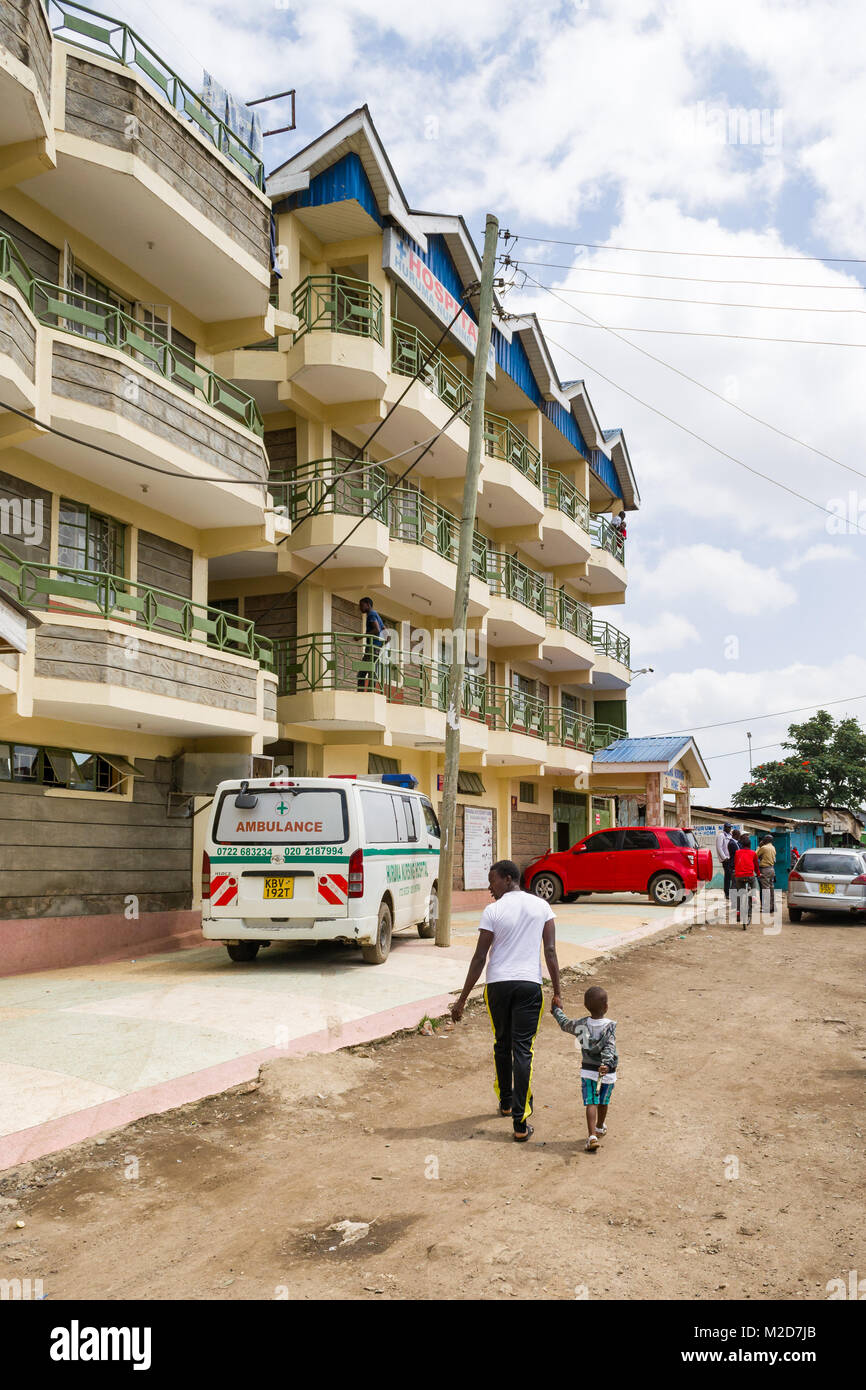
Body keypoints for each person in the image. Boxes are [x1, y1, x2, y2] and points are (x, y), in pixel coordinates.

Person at [450, 860, 562, 1143]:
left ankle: (506, 1102)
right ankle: (520, 1122)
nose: (490, 887)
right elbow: (550, 951)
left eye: (493, 880)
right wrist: (557, 991)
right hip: (528, 985)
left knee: (503, 1043)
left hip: (498, 986)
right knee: (523, 1050)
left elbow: (479, 957)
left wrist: (462, 999)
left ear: (509, 878)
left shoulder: (493, 910)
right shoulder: (541, 907)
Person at [552, 985, 618, 1153]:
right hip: (607, 1072)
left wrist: (556, 1010)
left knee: (591, 1102)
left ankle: (592, 1136)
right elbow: (609, 1047)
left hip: (588, 1070)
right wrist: (606, 1063)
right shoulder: (609, 1026)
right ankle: (600, 1126)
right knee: (603, 1101)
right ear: (606, 1007)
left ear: (586, 1006)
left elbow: (564, 1024)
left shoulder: (580, 1025)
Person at [733, 833, 761, 928]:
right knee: (754, 882)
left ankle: (738, 911)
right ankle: (753, 896)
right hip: (749, 875)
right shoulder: (753, 853)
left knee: (739, 893)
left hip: (739, 876)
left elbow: (736, 863)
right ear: (749, 845)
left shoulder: (737, 853)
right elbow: (756, 866)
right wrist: (759, 873)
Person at [357, 597, 385, 691]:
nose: (360, 607)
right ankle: (370, 691)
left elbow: (377, 630)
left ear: (368, 605)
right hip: (376, 648)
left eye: (361, 605)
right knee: (371, 670)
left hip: (372, 648)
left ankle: (362, 693)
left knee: (362, 673)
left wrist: (361, 636)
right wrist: (380, 645)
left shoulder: (371, 614)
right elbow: (387, 634)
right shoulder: (376, 614)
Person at [756, 834, 777, 916]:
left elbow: (755, 855)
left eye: (764, 839)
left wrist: (759, 846)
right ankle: (772, 907)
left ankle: (766, 908)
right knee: (771, 888)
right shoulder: (773, 847)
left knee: (765, 889)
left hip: (765, 869)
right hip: (772, 869)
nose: (763, 840)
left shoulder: (764, 848)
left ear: (766, 840)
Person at [716, 822, 735, 900]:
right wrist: (724, 858)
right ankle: (726, 893)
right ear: (724, 827)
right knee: (727, 877)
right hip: (726, 860)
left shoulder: (730, 836)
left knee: (732, 877)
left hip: (731, 859)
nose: (729, 828)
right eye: (728, 827)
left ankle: (731, 892)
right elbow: (719, 847)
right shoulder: (721, 836)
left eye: (730, 827)